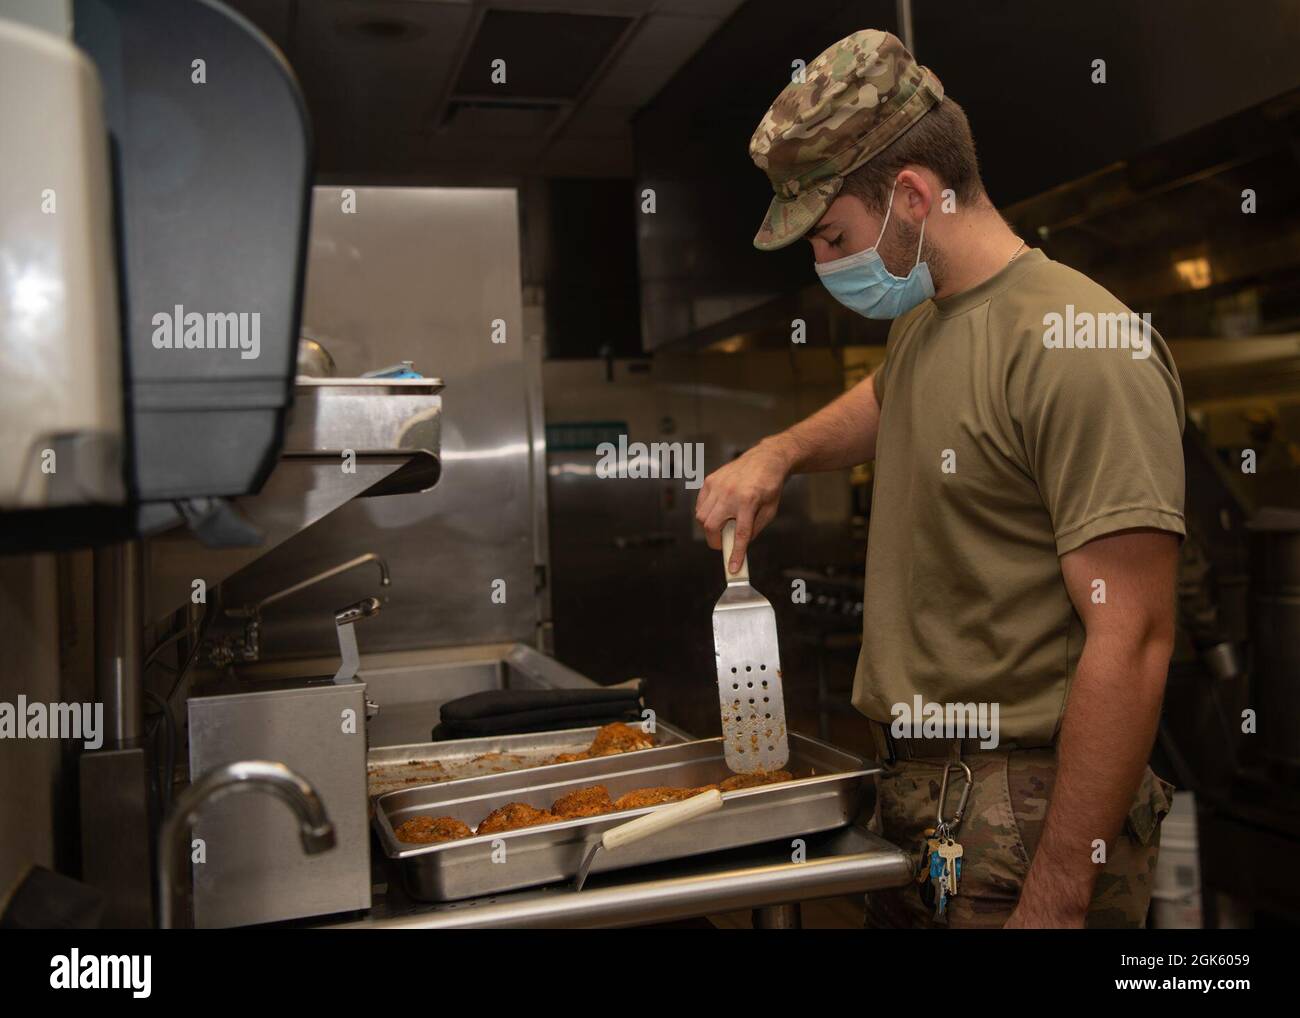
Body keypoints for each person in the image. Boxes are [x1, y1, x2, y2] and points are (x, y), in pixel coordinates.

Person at [695, 29, 1182, 928]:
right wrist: (782, 453)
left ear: (913, 195)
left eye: (833, 235)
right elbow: (889, 400)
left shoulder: (1081, 347)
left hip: (1024, 821)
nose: (825, 263)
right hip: (928, 803)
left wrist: (1062, 891)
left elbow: (1138, 636)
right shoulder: (929, 321)